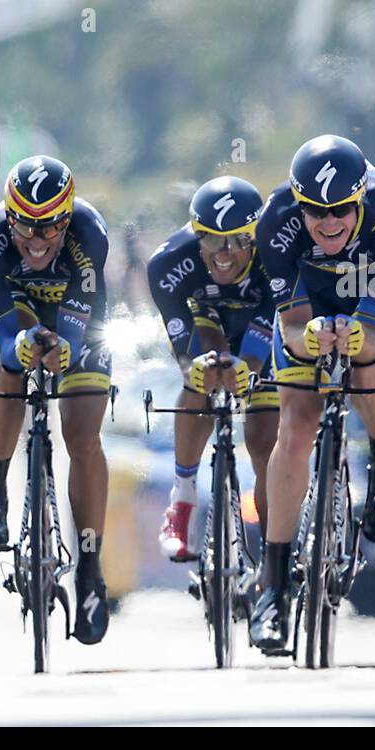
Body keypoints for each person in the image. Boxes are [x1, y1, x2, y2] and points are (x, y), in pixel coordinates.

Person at [248, 135, 375, 651]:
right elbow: (293, 327)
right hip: (308, 292)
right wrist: (310, 338)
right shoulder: (275, 225)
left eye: (341, 210)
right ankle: (273, 586)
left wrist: (360, 333)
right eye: (315, 212)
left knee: (365, 355)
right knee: (296, 425)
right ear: (298, 206)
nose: (328, 223)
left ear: (360, 199)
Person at [0, 155, 114, 644]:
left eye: (49, 225)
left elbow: (78, 319)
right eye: (24, 224)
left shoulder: (90, 236)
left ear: (66, 219)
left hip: (80, 317)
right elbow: (6, 336)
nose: (35, 237)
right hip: (23, 310)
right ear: (8, 216)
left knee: (82, 435)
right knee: (12, 367)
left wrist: (63, 349)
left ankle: (90, 569)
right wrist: (25, 347)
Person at [146, 176, 278, 560]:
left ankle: (275, 556)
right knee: (202, 377)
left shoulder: (276, 252)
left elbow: (270, 325)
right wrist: (195, 368)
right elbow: (183, 349)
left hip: (260, 323)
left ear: (255, 235)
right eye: (211, 240)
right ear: (196, 234)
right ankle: (182, 500)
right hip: (207, 320)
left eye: (239, 240)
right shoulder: (168, 262)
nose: (225, 252)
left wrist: (250, 367)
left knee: (262, 439)